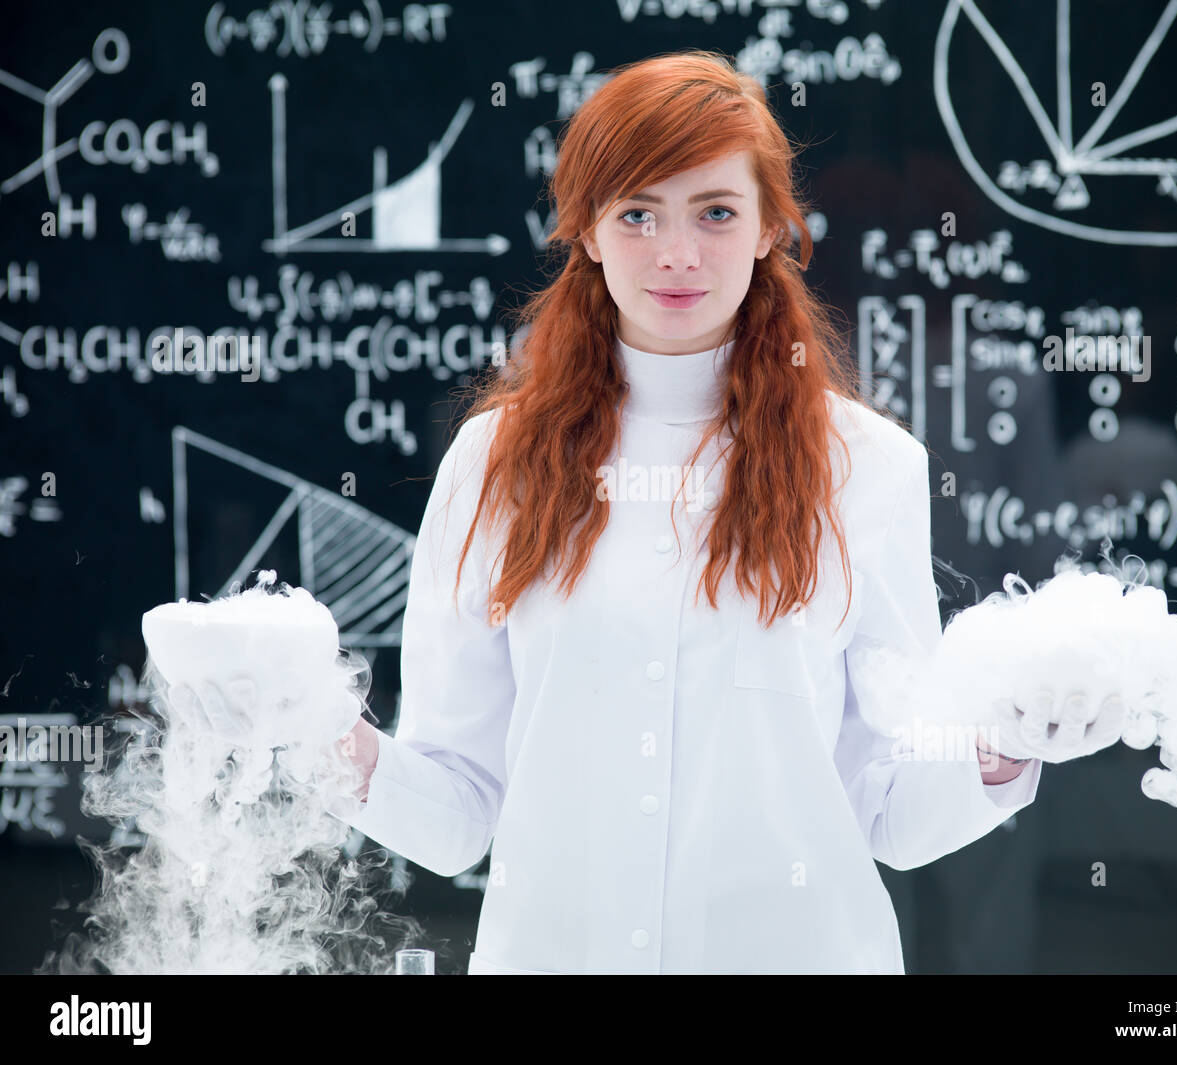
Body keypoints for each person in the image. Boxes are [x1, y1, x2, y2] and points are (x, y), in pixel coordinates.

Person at [331, 49, 1048, 975]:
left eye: (715, 212)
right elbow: (460, 809)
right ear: (587, 231)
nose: (677, 253)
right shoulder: (492, 465)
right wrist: (322, 740)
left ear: (767, 230)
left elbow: (885, 808)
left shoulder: (867, 468)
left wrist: (1001, 747)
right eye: (637, 214)